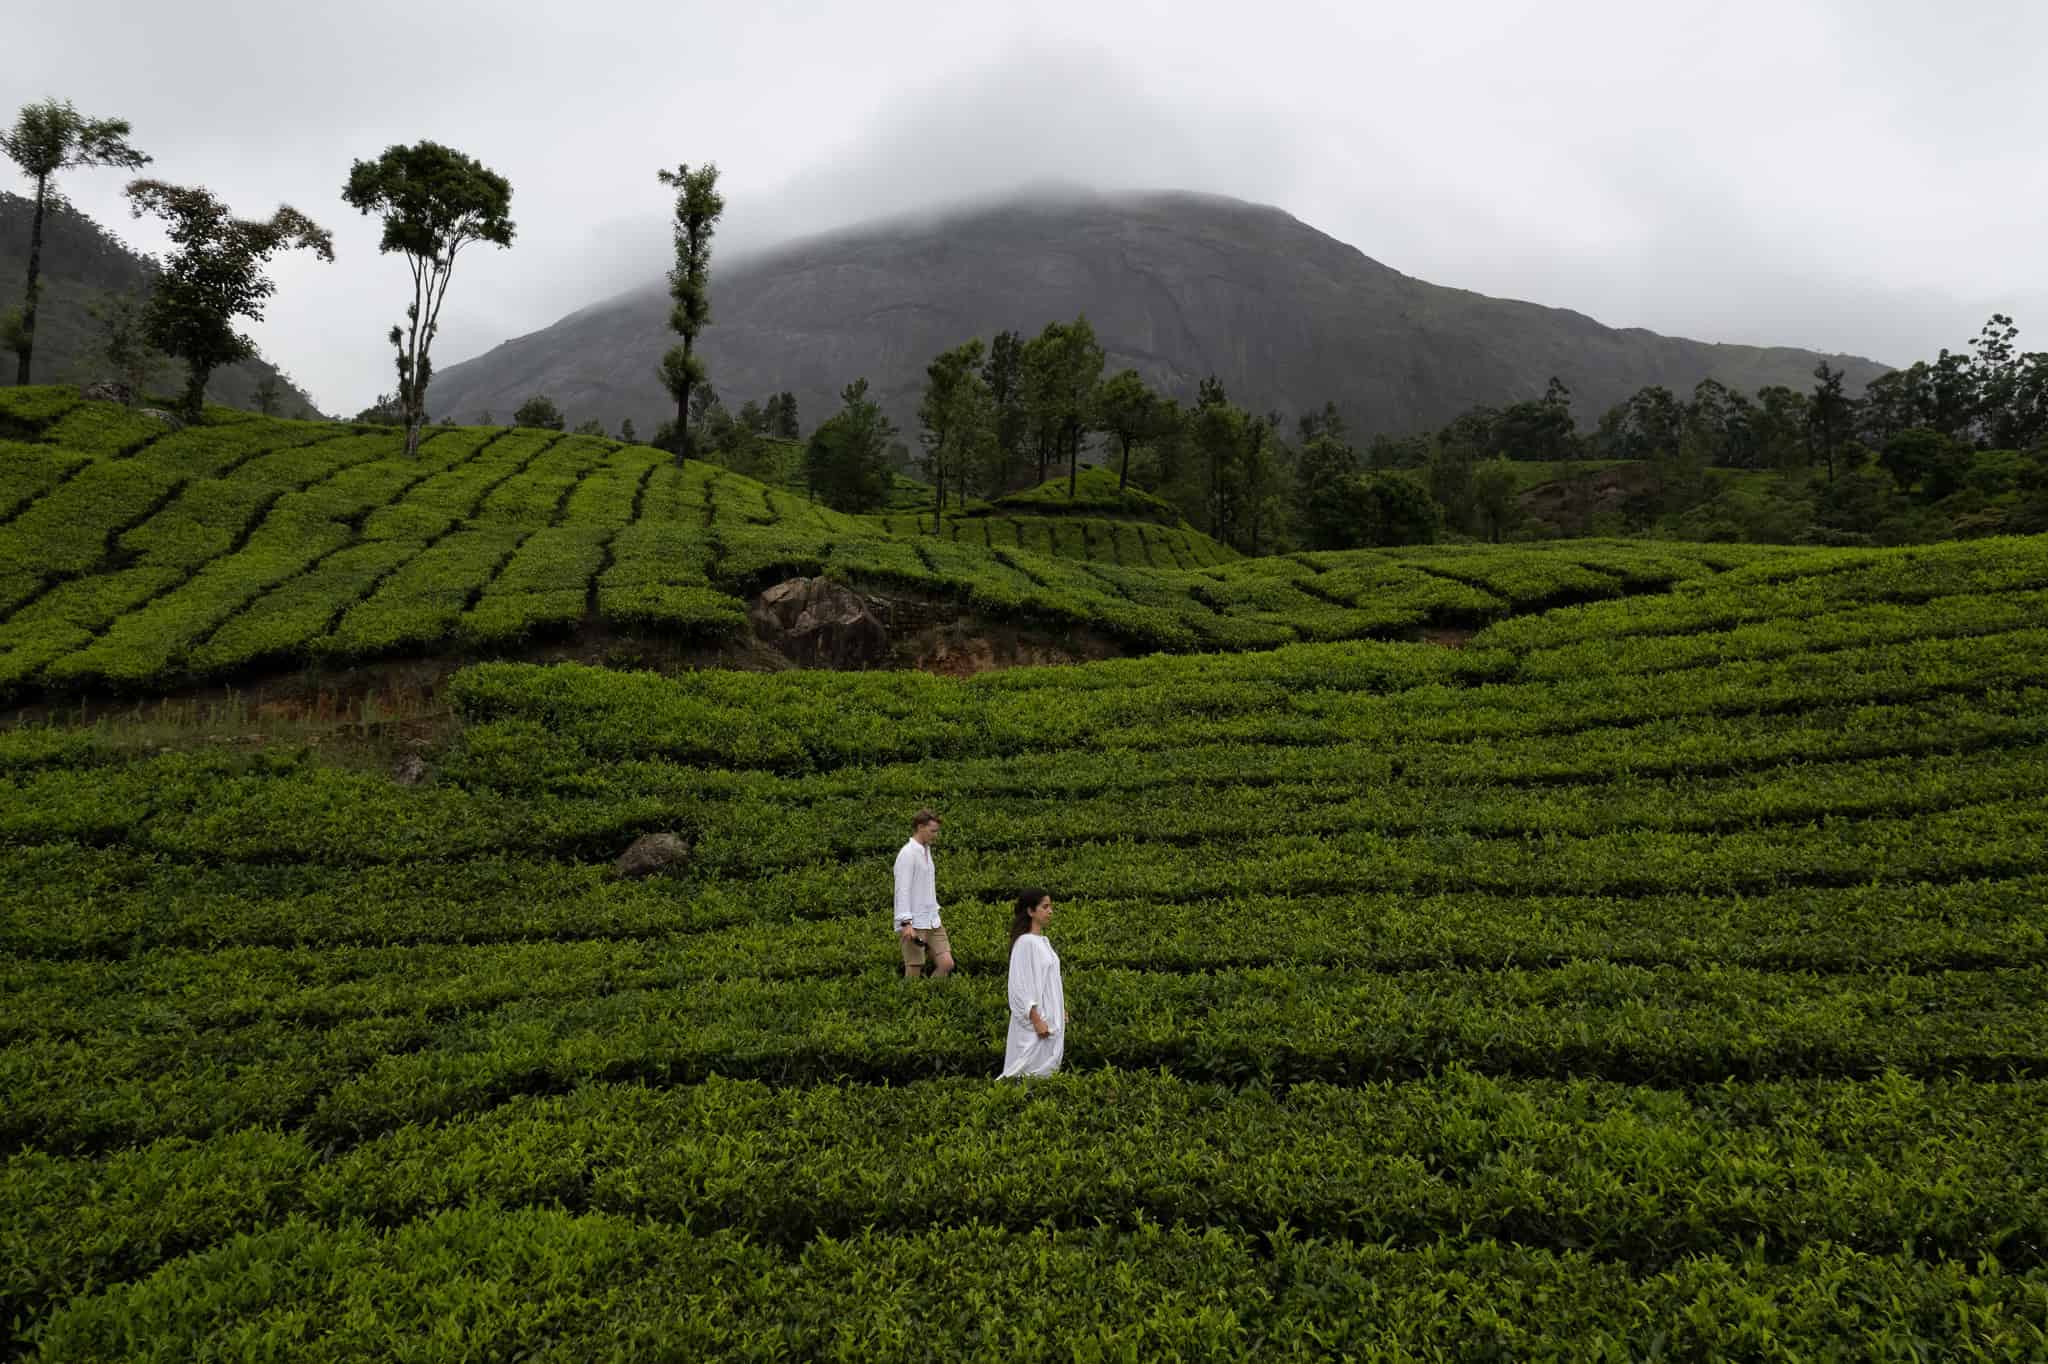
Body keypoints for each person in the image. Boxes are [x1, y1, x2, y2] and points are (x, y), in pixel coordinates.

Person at [1002, 889, 1064, 1078]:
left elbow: (1049, 981)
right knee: (1026, 1073)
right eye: (1045, 907)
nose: (1050, 911)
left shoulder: (1042, 942)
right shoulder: (1025, 943)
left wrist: (1060, 1008)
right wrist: (1036, 1018)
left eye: (1050, 906)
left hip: (1049, 1019)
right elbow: (1019, 986)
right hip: (1036, 1023)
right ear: (1031, 911)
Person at [892, 809, 953, 979]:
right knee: (913, 969)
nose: (935, 835)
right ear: (920, 827)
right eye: (932, 831)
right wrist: (906, 922)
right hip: (914, 921)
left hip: (933, 920)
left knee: (946, 963)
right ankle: (910, 1003)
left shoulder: (926, 850)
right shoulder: (907, 853)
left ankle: (929, 999)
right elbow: (902, 889)